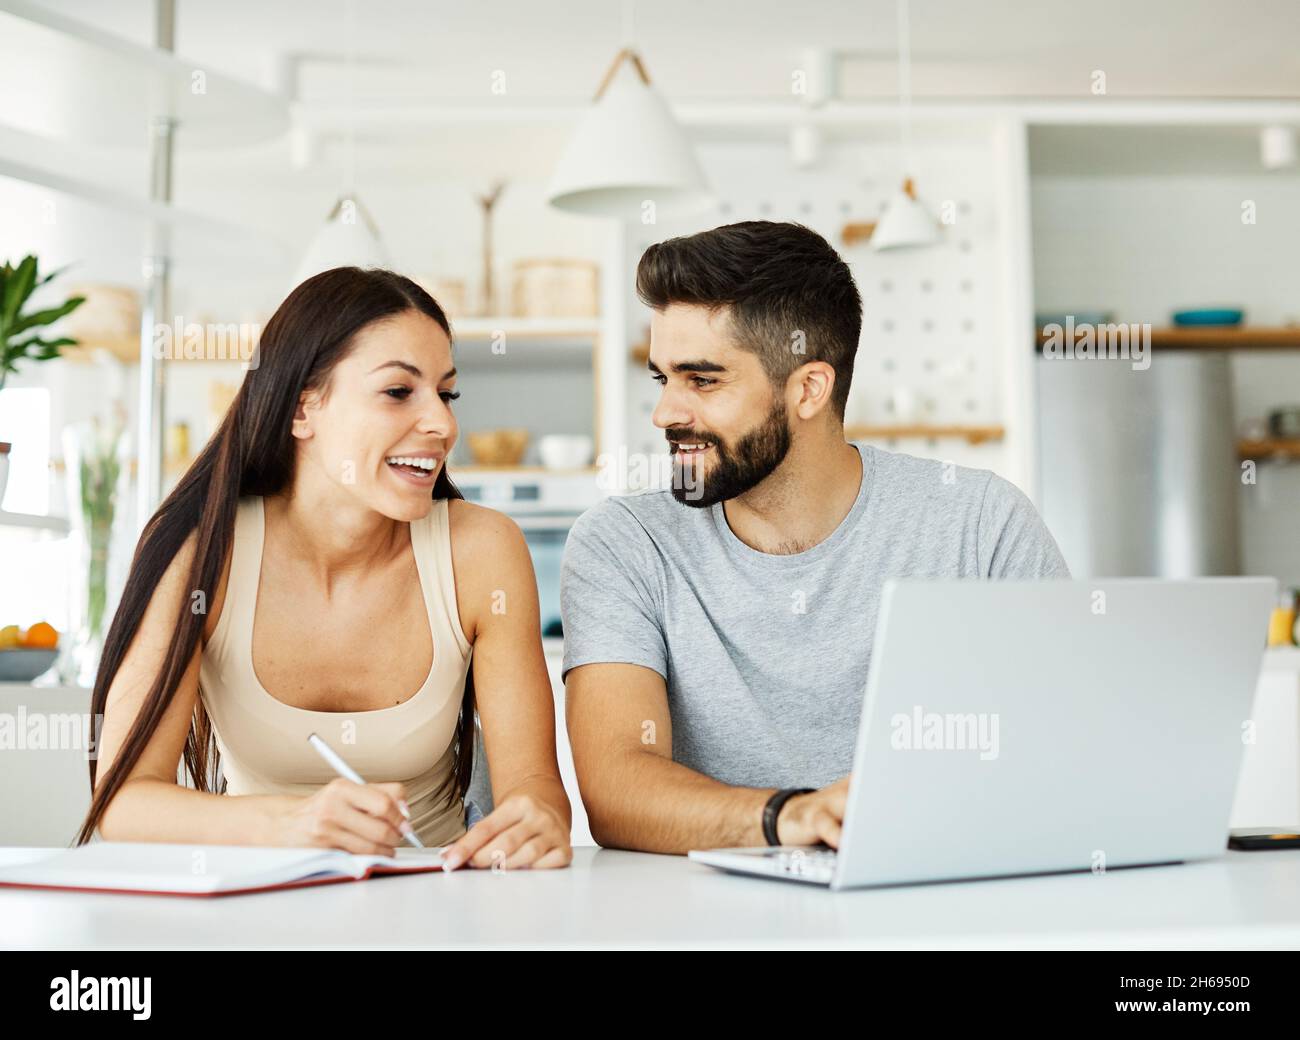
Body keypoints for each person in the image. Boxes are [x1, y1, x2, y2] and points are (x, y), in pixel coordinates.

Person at [561, 221, 1068, 855]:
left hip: (936, 894)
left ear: (808, 388)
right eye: (663, 379)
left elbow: (1062, 744)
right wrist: (791, 818)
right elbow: (616, 790)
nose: (665, 413)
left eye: (704, 380)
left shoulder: (980, 521)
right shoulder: (623, 543)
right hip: (704, 914)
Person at [81, 267, 571, 870]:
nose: (442, 425)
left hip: (437, 901)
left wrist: (540, 819)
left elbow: (535, 785)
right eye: (398, 392)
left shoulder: (483, 552)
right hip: (255, 902)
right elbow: (124, 801)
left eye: (446, 394)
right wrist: (290, 822)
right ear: (301, 410)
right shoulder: (200, 552)